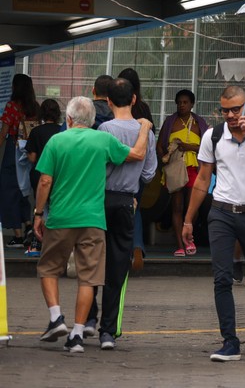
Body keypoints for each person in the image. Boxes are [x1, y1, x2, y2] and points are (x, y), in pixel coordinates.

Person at [32, 96, 152, 354]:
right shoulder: (103, 140)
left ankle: (55, 318)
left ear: (69, 119)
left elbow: (44, 181)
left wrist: (39, 213)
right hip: (93, 220)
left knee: (49, 268)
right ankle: (76, 334)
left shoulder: (57, 141)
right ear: (94, 121)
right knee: (89, 278)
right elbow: (138, 154)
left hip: (61, 218)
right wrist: (144, 128)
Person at [183, 85, 245, 362]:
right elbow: (203, 180)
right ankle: (230, 341)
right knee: (222, 278)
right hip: (221, 214)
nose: (230, 115)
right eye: (225, 110)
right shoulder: (213, 136)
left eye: (235, 109)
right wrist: (188, 220)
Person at [86, 78, 158, 350]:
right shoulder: (146, 132)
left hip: (100, 200)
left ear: (107, 101)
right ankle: (108, 331)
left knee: (93, 258)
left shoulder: (104, 128)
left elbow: (99, 166)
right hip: (128, 202)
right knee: (118, 265)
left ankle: (89, 317)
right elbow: (149, 173)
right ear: (134, 99)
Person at [157, 89, 209, 256]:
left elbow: (208, 147)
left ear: (192, 104)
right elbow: (160, 145)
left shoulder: (199, 123)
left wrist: (189, 147)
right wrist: (164, 163)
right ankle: (179, 245)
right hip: (176, 168)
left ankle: (188, 240)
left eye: (185, 102)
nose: (182, 105)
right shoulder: (170, 122)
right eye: (179, 102)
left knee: (192, 207)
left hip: (195, 167)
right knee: (177, 207)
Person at [117, 68, 154, 271]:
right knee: (135, 208)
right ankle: (137, 246)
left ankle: (119, 250)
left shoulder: (115, 114)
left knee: (115, 208)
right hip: (138, 172)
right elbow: (151, 139)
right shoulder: (143, 109)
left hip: (118, 169)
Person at [1, 73, 40, 248]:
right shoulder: (35, 108)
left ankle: (17, 234)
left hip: (13, 149)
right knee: (24, 188)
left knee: (9, 190)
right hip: (30, 151)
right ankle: (29, 226)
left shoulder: (12, 106)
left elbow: (4, 132)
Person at [24, 98, 63, 256]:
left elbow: (32, 158)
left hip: (39, 175)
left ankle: (39, 242)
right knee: (55, 207)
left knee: (41, 208)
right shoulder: (62, 132)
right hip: (59, 175)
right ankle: (55, 244)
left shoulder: (36, 132)